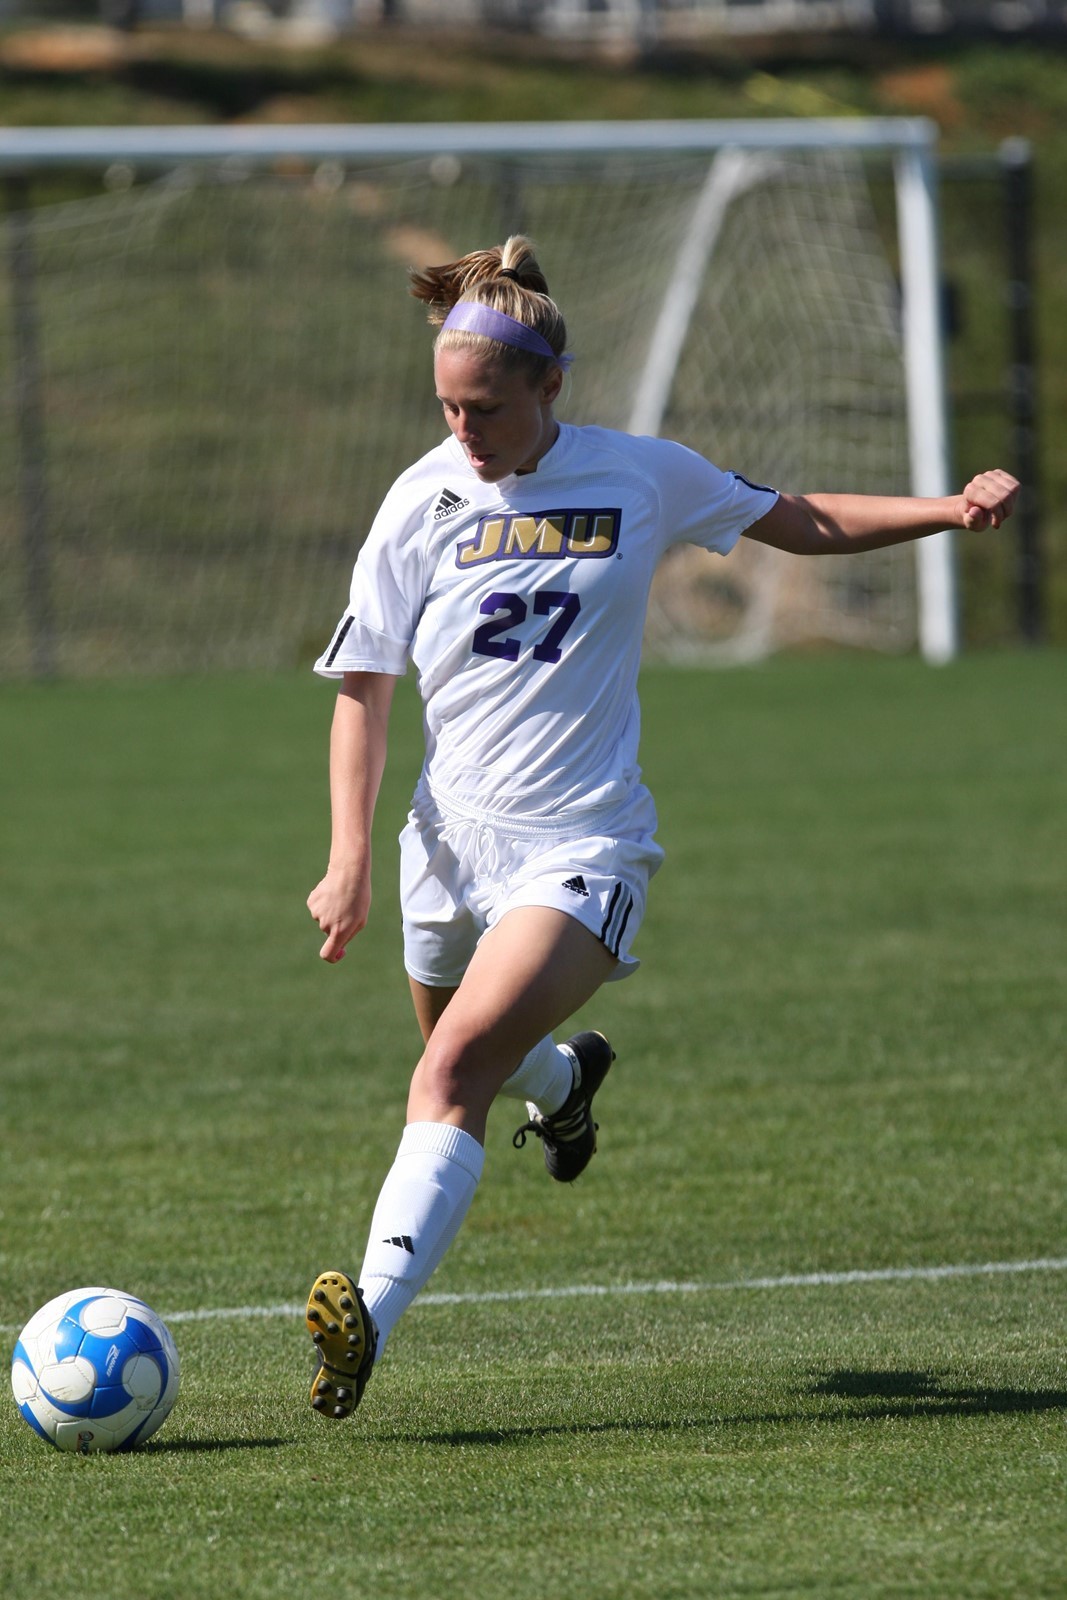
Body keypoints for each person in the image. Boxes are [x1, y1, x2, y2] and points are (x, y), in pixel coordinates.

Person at [303, 235, 1019, 1420]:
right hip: (441, 843)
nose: (465, 430)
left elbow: (795, 518)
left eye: (485, 406)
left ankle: (363, 1322)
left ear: (550, 386)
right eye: (445, 405)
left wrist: (947, 509)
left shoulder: (637, 475)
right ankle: (568, 1087)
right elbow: (363, 683)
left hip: (579, 843)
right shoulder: (418, 498)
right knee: (472, 1052)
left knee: (449, 1068)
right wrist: (346, 857)